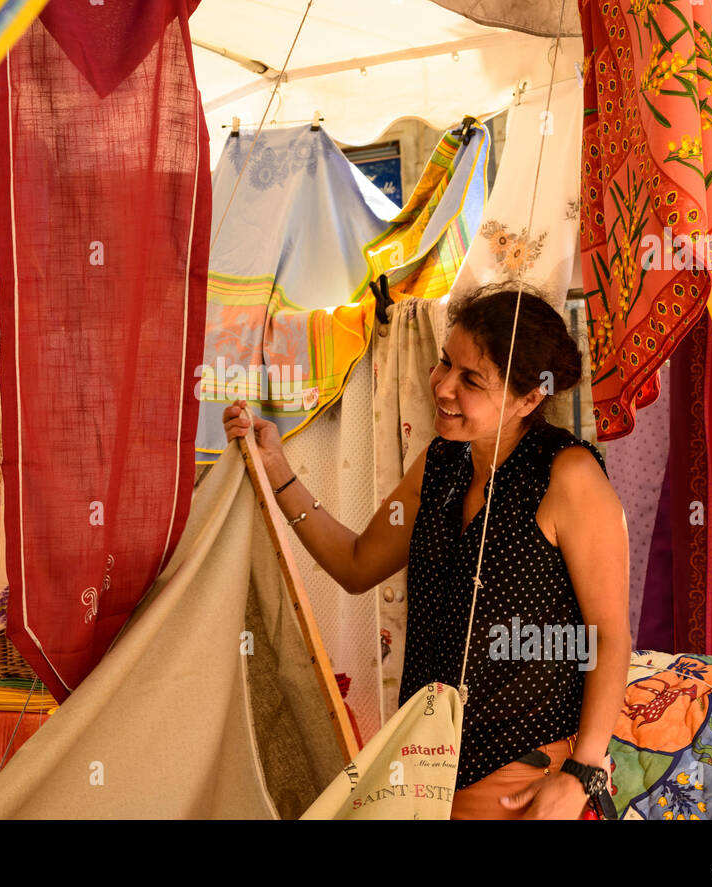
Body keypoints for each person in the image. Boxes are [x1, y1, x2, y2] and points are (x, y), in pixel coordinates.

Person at [223, 285, 630, 819]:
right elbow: (356, 563)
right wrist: (277, 468)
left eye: (471, 380)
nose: (441, 387)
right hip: (423, 777)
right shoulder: (441, 463)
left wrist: (582, 772)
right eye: (445, 363)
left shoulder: (567, 477)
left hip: (522, 781)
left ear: (530, 398)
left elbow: (608, 634)